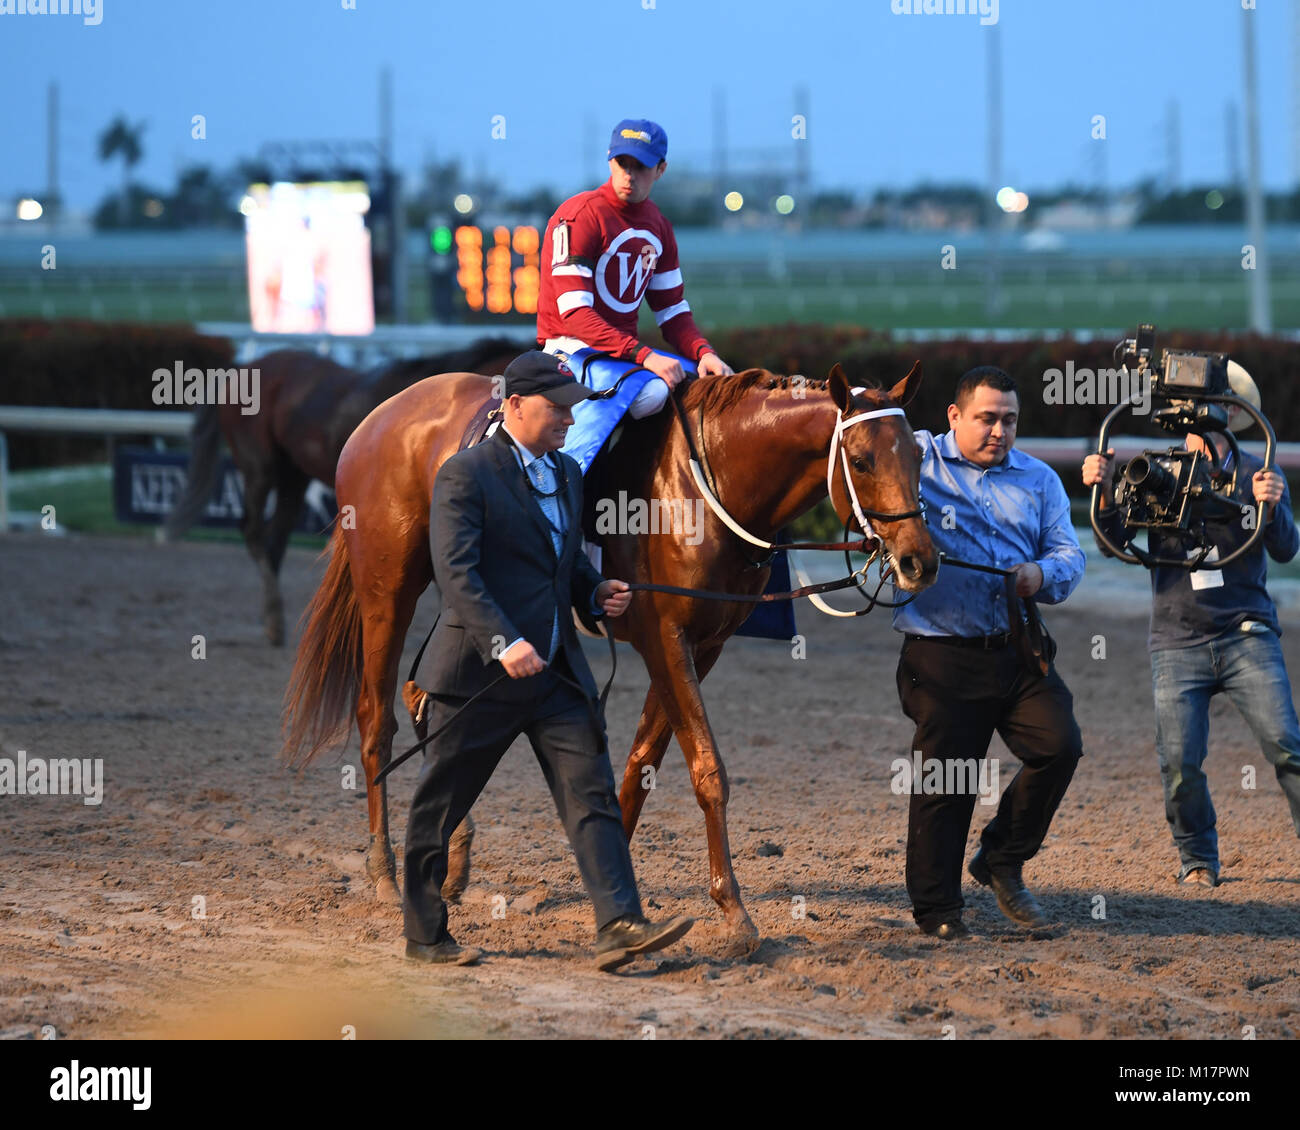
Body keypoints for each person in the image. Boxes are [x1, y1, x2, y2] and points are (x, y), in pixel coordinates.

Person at [403, 351, 694, 971]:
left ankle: (619, 923)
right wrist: (504, 642)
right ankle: (425, 935)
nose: (569, 417)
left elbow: (563, 561)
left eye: (571, 407)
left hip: (556, 668)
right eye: (557, 407)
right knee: (443, 801)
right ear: (513, 406)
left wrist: (593, 592)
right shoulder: (465, 475)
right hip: (479, 672)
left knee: (591, 790)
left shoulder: (565, 472)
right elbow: (458, 574)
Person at [1082, 361, 1300, 888]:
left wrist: (1275, 507)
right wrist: (1106, 489)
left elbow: (1286, 548)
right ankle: (1198, 859)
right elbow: (1113, 543)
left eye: (1212, 405)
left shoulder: (1258, 472)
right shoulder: (1156, 469)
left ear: (1231, 411)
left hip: (1246, 630)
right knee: (1180, 765)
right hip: (1176, 637)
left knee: (1287, 745)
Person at [893, 366, 1086, 939]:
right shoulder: (917, 462)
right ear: (954, 417)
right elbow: (869, 446)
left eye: (1009, 420)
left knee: (1060, 746)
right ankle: (938, 912)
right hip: (939, 654)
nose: (999, 430)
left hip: (1018, 650)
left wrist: (1040, 572)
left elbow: (1070, 555)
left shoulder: (1041, 481)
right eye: (986, 418)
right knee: (948, 780)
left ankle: (1001, 856)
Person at [537, 117, 734, 419]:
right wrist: (645, 355)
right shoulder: (580, 216)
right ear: (609, 160)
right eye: (622, 163)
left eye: (640, 166)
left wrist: (704, 352)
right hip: (570, 350)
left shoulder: (660, 227)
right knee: (653, 391)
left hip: (620, 356)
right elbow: (576, 315)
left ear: (660, 170)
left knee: (711, 389)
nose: (629, 175)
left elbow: (672, 312)